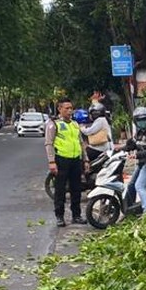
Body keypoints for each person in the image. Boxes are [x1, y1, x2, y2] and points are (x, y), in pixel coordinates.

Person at [45, 97, 88, 227]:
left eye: (71, 108)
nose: (70, 111)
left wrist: (85, 160)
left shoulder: (75, 124)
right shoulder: (54, 124)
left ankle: (76, 215)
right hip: (61, 160)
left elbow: (81, 143)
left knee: (76, 189)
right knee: (60, 190)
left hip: (75, 160)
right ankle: (60, 216)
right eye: (67, 108)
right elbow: (49, 143)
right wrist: (51, 161)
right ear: (59, 109)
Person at [123, 107, 146, 213]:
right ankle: (131, 209)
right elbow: (133, 144)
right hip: (142, 164)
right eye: (138, 120)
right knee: (131, 184)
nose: (141, 122)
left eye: (143, 119)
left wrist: (137, 155)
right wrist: (122, 148)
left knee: (139, 186)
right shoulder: (140, 133)